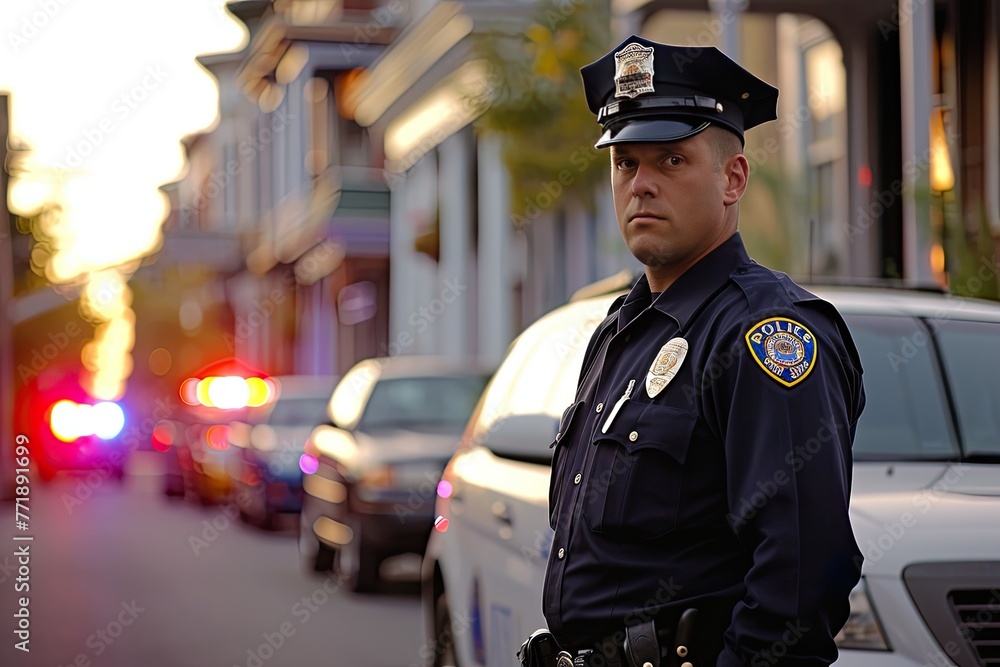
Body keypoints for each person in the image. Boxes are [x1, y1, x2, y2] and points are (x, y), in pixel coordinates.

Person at [536, 35, 866, 667]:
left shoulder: (765, 333)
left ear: (732, 179)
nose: (642, 185)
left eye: (672, 161)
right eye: (625, 163)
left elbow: (802, 574)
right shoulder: (620, 332)